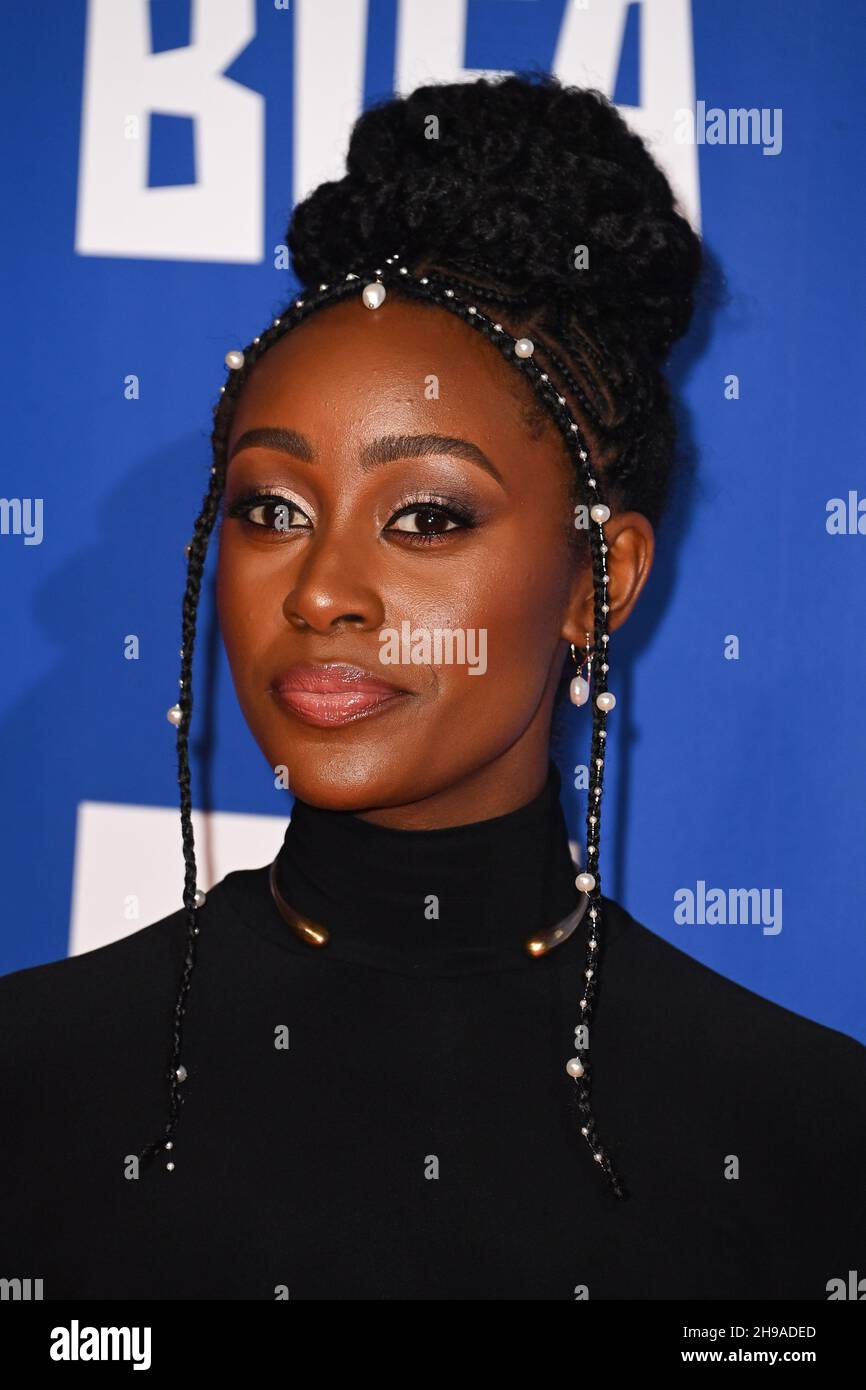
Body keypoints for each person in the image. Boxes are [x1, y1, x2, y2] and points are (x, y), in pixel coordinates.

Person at [1, 73, 863, 1301]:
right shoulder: (34, 1082)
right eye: (270, 508)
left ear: (597, 580)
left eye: (423, 514)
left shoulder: (802, 1134)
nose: (320, 593)